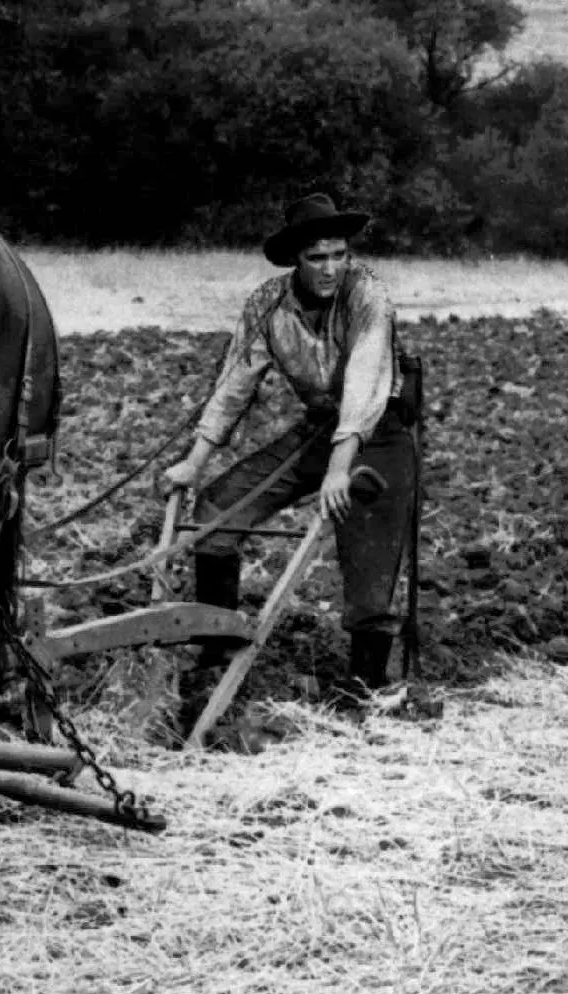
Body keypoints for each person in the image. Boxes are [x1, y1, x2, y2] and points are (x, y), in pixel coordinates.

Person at [162, 192, 419, 699]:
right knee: (218, 506)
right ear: (296, 260)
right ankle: (214, 649)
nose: (331, 269)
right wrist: (194, 462)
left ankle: (364, 684)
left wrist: (340, 470)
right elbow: (235, 382)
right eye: (317, 257)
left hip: (381, 432)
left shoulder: (368, 296)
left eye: (339, 255)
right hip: (320, 429)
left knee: (366, 544)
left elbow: (367, 384)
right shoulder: (267, 304)